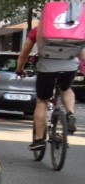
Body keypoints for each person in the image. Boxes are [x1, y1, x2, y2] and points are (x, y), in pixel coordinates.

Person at [16, 20, 84, 151]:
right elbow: (82, 52)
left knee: (42, 100)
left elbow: (24, 53)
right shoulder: (73, 29)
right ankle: (70, 113)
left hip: (47, 67)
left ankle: (39, 139)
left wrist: (19, 68)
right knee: (66, 88)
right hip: (70, 66)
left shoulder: (39, 30)